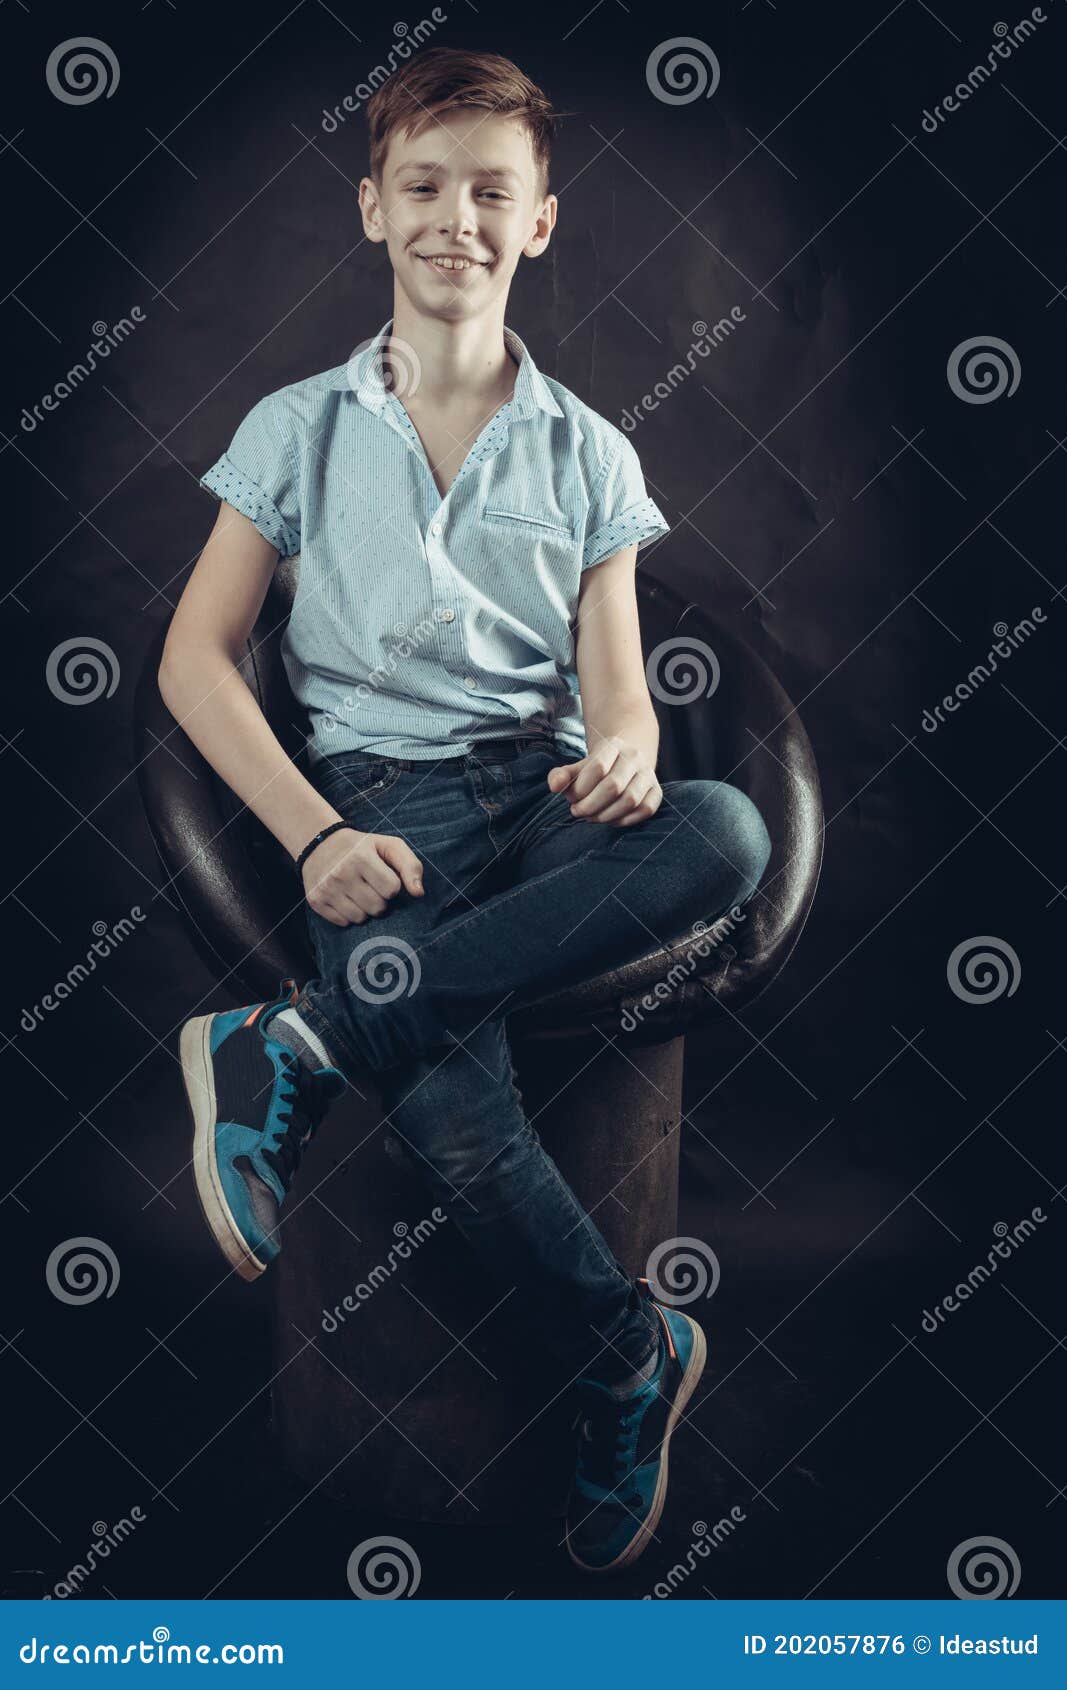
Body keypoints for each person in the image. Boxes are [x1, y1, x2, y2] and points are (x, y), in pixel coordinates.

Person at [159, 46, 771, 1574]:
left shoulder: (589, 449)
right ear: (374, 208)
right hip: (379, 810)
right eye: (423, 186)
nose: (457, 218)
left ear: (540, 223)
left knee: (726, 835)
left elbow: (618, 694)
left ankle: (300, 1040)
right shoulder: (293, 427)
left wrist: (627, 749)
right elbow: (191, 657)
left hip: (548, 802)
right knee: (452, 1088)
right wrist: (315, 831)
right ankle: (631, 1354)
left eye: (492, 191)